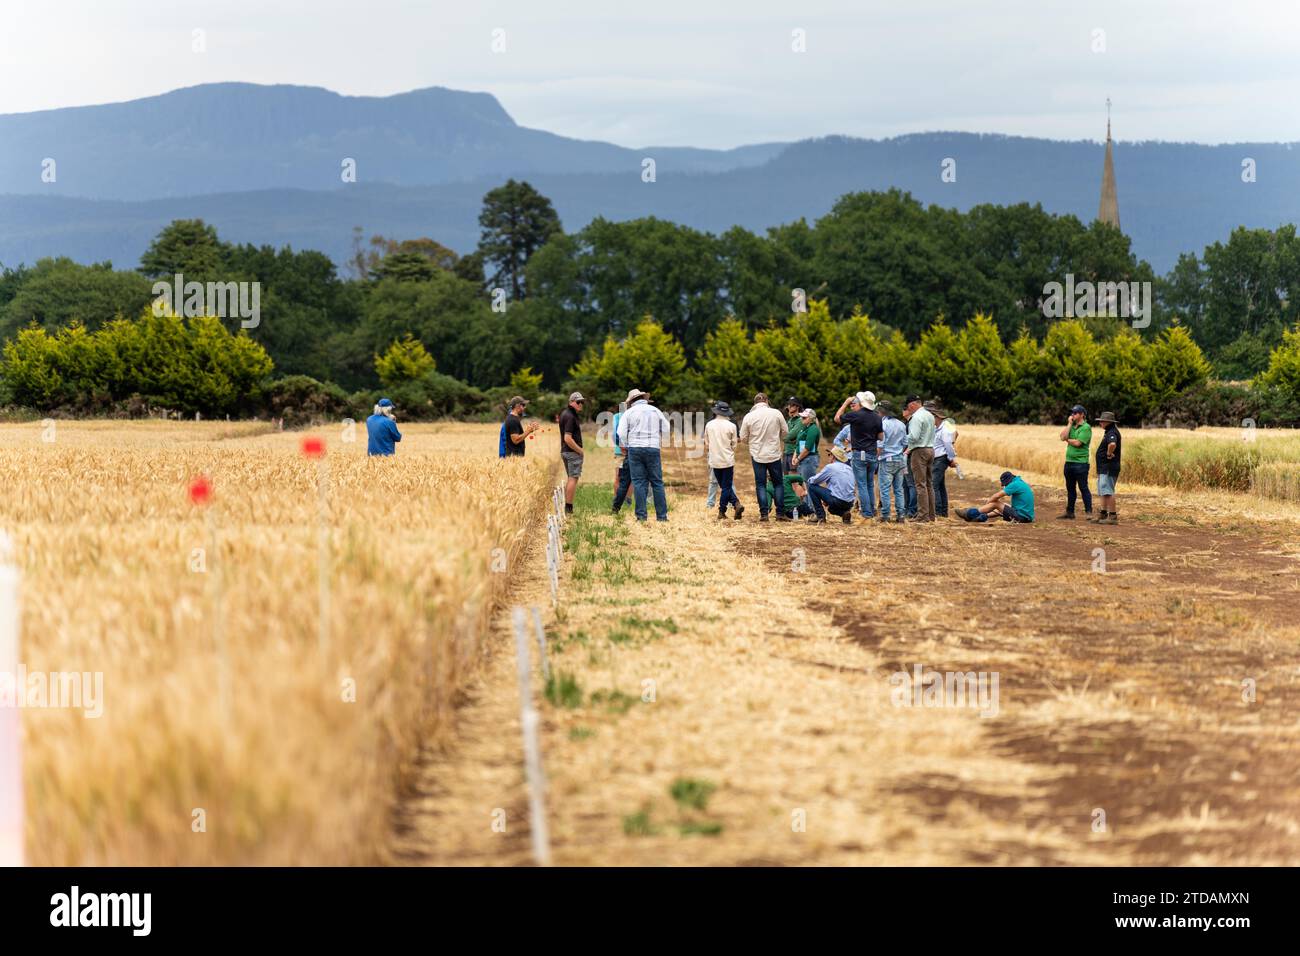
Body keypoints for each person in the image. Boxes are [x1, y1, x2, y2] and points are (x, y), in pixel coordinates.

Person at [616, 388, 672, 522]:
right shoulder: (655, 411)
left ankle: (641, 517)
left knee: (639, 482)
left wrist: (626, 445)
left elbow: (621, 433)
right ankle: (662, 517)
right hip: (653, 447)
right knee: (657, 482)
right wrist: (658, 440)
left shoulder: (629, 413)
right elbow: (666, 429)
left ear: (631, 401)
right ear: (643, 399)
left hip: (635, 448)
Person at [738, 392, 788, 522]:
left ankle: (764, 514)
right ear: (767, 401)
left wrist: (753, 442)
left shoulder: (749, 416)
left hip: (757, 454)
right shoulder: (776, 413)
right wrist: (777, 439)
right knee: (778, 484)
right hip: (774, 454)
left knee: (761, 485)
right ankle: (780, 513)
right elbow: (785, 432)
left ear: (755, 403)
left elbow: (742, 437)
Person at [834, 390, 884, 519]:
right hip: (872, 453)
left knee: (861, 484)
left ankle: (866, 513)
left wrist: (845, 403)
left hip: (859, 454)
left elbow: (837, 419)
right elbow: (881, 437)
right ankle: (872, 511)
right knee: (870, 484)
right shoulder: (877, 417)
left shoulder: (856, 415)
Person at [704, 400, 744, 520]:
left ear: (716, 412)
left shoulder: (709, 425)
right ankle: (734, 505)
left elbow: (707, 443)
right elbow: (734, 445)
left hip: (714, 460)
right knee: (726, 487)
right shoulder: (731, 426)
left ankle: (723, 511)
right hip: (727, 460)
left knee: (724, 486)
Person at [1057, 404, 1094, 520]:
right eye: (1072, 413)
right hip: (1069, 462)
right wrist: (1069, 424)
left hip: (1081, 463)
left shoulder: (1086, 427)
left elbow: (1078, 443)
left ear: (1082, 414)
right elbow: (1062, 437)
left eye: (1075, 413)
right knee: (1070, 488)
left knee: (1083, 487)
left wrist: (1067, 439)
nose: (1073, 415)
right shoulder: (1071, 426)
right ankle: (1070, 512)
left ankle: (1089, 512)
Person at [904, 395, 936, 521]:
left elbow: (914, 437)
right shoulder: (929, 415)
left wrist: (902, 438)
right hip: (930, 449)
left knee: (920, 484)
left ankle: (923, 516)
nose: (908, 409)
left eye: (908, 407)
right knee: (928, 484)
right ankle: (931, 514)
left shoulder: (916, 417)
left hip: (919, 451)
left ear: (912, 405)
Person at [805, 444, 857, 524]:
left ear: (834, 457)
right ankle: (844, 514)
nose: (828, 456)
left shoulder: (831, 467)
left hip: (837, 500)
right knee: (830, 509)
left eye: (830, 454)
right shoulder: (849, 468)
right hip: (849, 503)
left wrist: (808, 480)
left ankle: (820, 517)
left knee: (811, 487)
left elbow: (814, 481)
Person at [959, 471, 1035, 523]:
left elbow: (996, 496)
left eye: (1005, 484)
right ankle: (981, 517)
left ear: (1008, 481)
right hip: (1027, 517)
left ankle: (969, 514)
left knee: (995, 504)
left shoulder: (1014, 484)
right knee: (1004, 507)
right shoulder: (1019, 482)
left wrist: (988, 505)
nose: (1005, 486)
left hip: (1021, 517)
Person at [876, 399, 907, 524]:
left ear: (881, 412)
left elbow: (880, 443)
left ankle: (886, 515)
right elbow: (905, 442)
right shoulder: (901, 424)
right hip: (899, 458)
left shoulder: (882, 425)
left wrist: (876, 456)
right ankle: (901, 515)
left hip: (886, 459)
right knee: (899, 489)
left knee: (885, 489)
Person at [1090, 411, 1122, 525]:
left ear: (1108, 422)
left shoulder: (1112, 432)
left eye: (1102, 421)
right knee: (1103, 491)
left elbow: (1112, 444)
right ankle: (1103, 513)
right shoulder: (1109, 431)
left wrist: (1109, 454)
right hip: (1104, 468)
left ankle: (1112, 516)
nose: (1100, 423)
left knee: (1108, 491)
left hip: (1108, 467)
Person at [928, 401, 957, 518]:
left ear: (937, 417)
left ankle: (939, 512)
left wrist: (951, 458)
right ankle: (943, 511)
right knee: (940, 485)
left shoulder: (944, 429)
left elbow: (948, 445)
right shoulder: (938, 427)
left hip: (940, 459)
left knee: (934, 485)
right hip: (939, 458)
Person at [558, 391, 585, 514]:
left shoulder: (565, 413)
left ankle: (566, 506)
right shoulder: (570, 416)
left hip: (566, 451)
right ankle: (568, 508)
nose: (581, 404)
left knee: (571, 479)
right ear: (571, 402)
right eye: (578, 402)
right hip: (572, 452)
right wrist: (580, 450)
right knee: (573, 479)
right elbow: (567, 438)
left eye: (582, 402)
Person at [791, 407, 822, 492]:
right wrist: (795, 456)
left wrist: (797, 458)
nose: (802, 418)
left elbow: (807, 448)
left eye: (804, 417)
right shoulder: (805, 428)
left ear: (811, 419)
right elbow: (798, 444)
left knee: (809, 485)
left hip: (809, 459)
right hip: (803, 459)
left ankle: (811, 505)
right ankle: (807, 505)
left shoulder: (813, 429)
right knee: (804, 485)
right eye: (802, 417)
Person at [609, 402, 632, 514]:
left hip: (620, 450)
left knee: (618, 477)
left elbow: (614, 434)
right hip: (630, 450)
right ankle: (627, 501)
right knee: (631, 477)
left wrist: (620, 445)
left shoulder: (616, 417)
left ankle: (616, 501)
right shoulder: (631, 415)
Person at [782, 397, 804, 472]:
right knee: (785, 479)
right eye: (788, 404)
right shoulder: (790, 420)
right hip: (786, 452)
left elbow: (788, 436)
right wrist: (788, 439)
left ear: (797, 406)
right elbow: (784, 436)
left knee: (794, 479)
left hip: (794, 453)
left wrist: (786, 439)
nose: (789, 406)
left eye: (791, 405)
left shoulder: (800, 420)